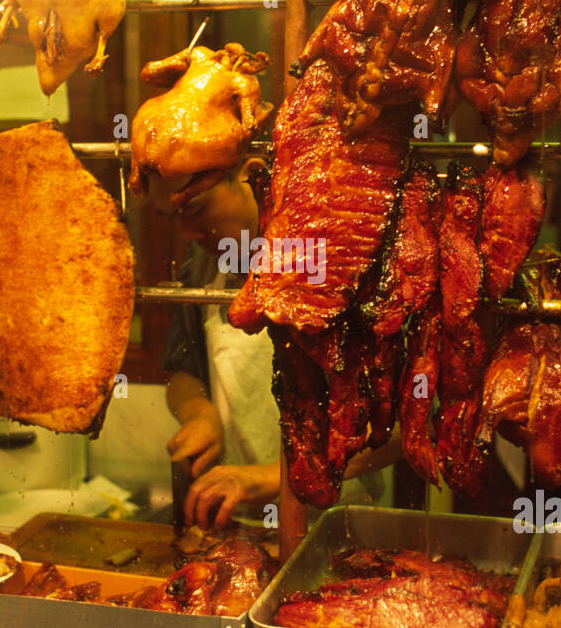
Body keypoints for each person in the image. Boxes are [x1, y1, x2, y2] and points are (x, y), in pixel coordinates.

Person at [147, 159, 399, 528]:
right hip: (239, 523)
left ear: (251, 174)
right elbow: (184, 370)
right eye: (172, 218)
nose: (186, 234)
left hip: (338, 520)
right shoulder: (203, 266)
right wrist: (200, 413)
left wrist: (269, 477)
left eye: (196, 209)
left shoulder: (339, 258)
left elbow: (402, 429)